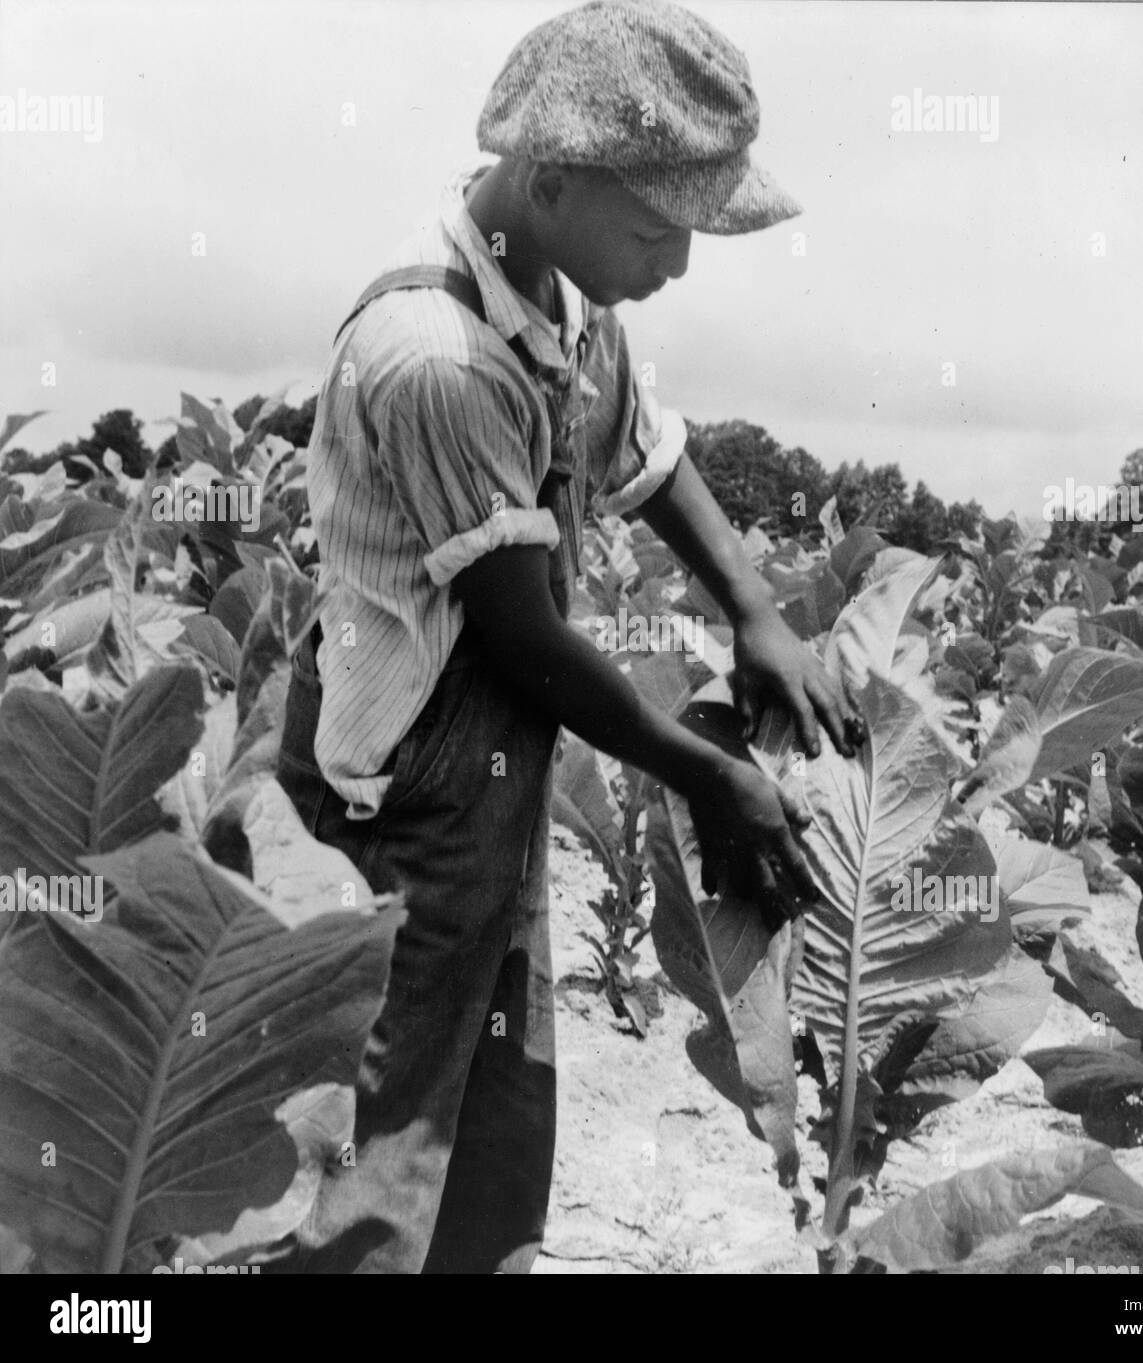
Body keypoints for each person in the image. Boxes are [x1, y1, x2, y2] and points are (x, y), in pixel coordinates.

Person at [274, 0, 859, 1274]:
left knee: (502, 1066)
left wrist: (756, 613)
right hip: (411, 768)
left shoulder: (566, 297)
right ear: (548, 181)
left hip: (502, 749)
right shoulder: (435, 351)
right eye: (658, 231)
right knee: (394, 1104)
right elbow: (521, 634)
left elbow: (646, 452)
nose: (678, 264)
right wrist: (709, 775)